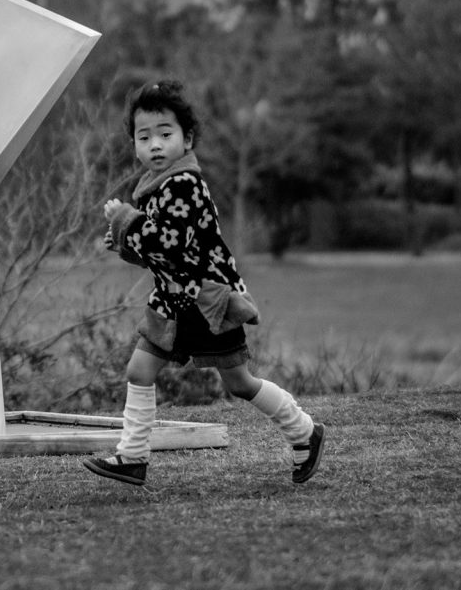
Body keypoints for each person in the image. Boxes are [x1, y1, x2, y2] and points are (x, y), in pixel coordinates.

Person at [83, 79, 324, 488]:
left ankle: (304, 431)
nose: (155, 145)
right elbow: (159, 250)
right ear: (135, 144)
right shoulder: (155, 188)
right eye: (145, 137)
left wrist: (125, 221)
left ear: (187, 138)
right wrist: (124, 240)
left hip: (208, 302)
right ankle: (132, 457)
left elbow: (171, 243)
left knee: (239, 383)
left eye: (165, 134)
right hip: (172, 303)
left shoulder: (185, 185)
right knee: (139, 370)